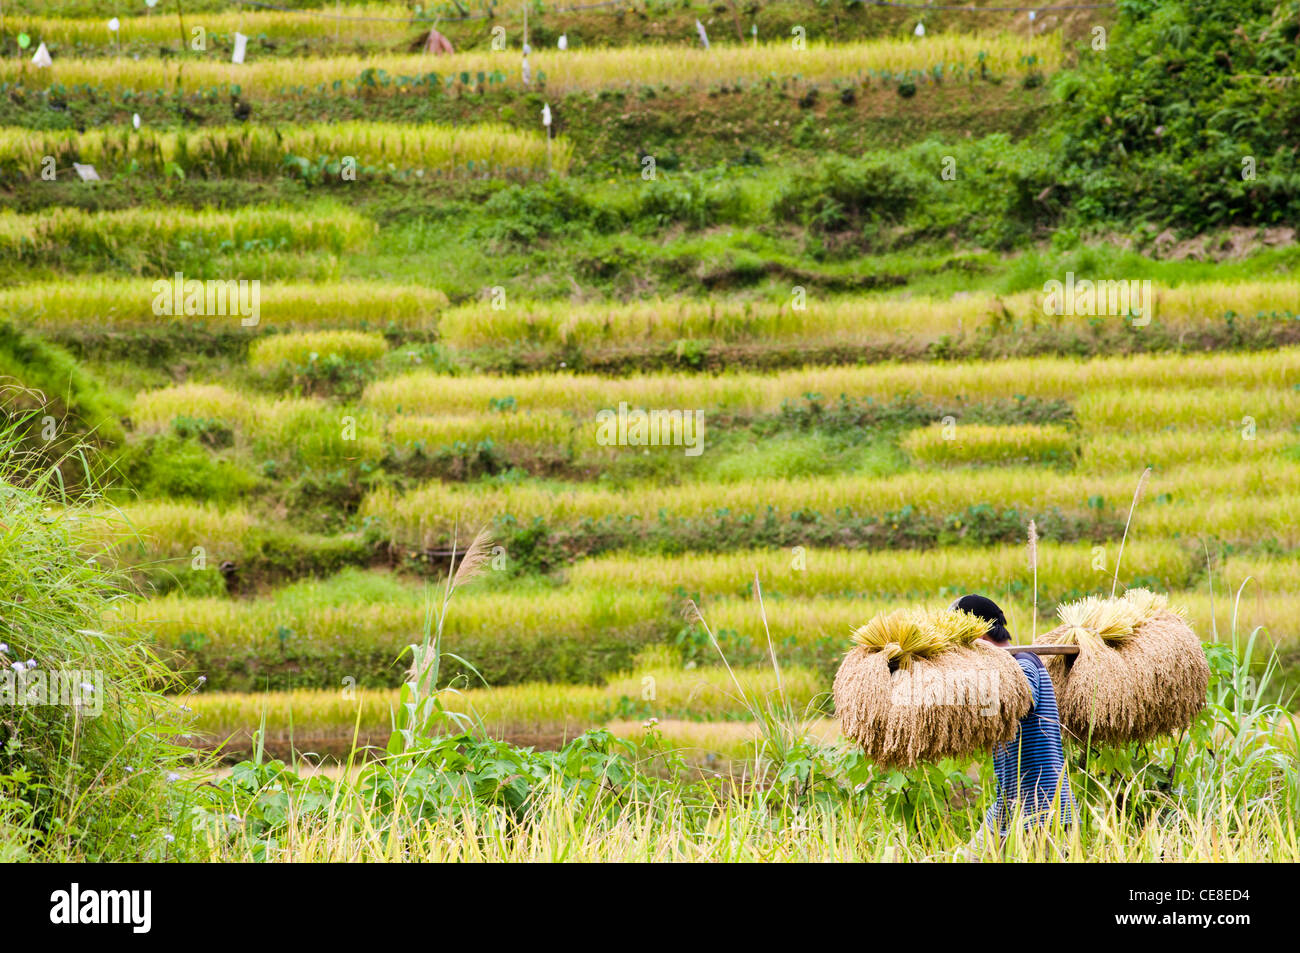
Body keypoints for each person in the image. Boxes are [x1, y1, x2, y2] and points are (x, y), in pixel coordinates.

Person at [951, 594, 1074, 855]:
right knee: (970, 859)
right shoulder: (998, 670)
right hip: (1008, 802)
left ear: (979, 637)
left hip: (1043, 804)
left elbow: (1022, 700)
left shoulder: (1023, 662)